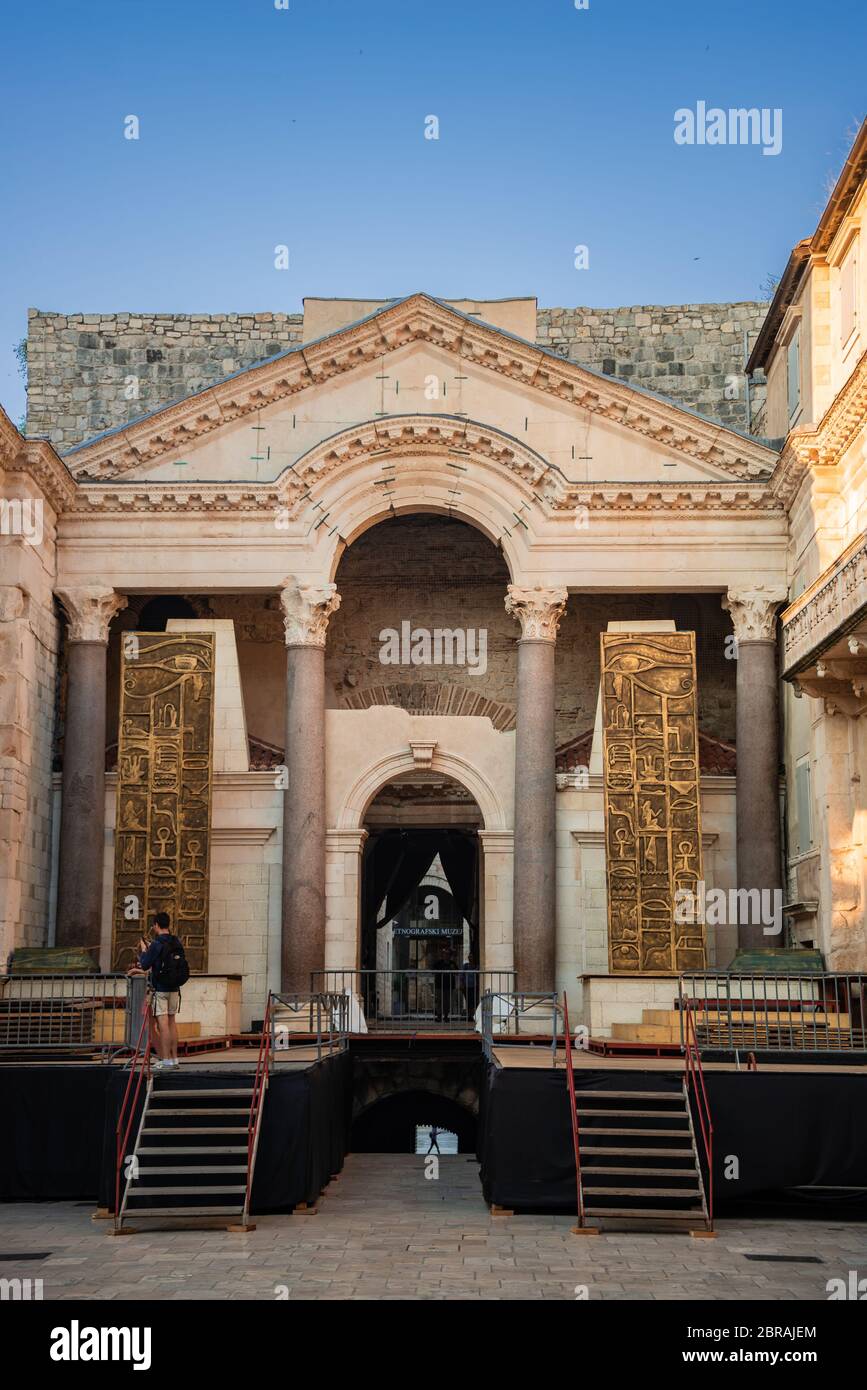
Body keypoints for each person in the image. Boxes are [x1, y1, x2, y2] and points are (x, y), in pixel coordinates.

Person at [128, 912, 188, 1070]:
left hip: (161, 989)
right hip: (175, 988)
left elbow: (146, 964)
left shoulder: (156, 944)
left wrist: (143, 951)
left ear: (156, 925)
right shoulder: (176, 942)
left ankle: (166, 1060)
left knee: (163, 1024)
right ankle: (175, 1058)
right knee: (172, 1021)